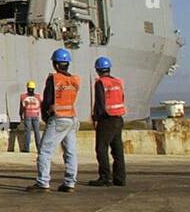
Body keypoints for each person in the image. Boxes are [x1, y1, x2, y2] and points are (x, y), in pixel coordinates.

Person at [28, 48, 80, 193]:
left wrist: (45, 116)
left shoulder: (54, 79)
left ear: (56, 64)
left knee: (45, 151)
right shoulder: (74, 80)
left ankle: (43, 182)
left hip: (58, 119)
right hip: (72, 118)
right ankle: (70, 183)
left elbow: (48, 100)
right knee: (70, 152)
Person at [88, 56, 127, 187]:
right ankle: (120, 178)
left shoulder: (100, 83)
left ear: (98, 70)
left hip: (107, 119)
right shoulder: (118, 81)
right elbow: (122, 97)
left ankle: (105, 177)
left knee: (101, 148)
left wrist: (95, 118)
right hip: (118, 118)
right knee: (117, 150)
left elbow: (100, 103)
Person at [18, 80, 42, 153]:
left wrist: (20, 115)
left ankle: (26, 149)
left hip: (27, 115)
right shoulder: (38, 96)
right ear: (34, 88)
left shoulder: (23, 96)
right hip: (36, 115)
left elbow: (21, 107)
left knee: (28, 132)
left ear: (27, 88)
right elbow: (41, 106)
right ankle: (39, 149)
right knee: (37, 132)